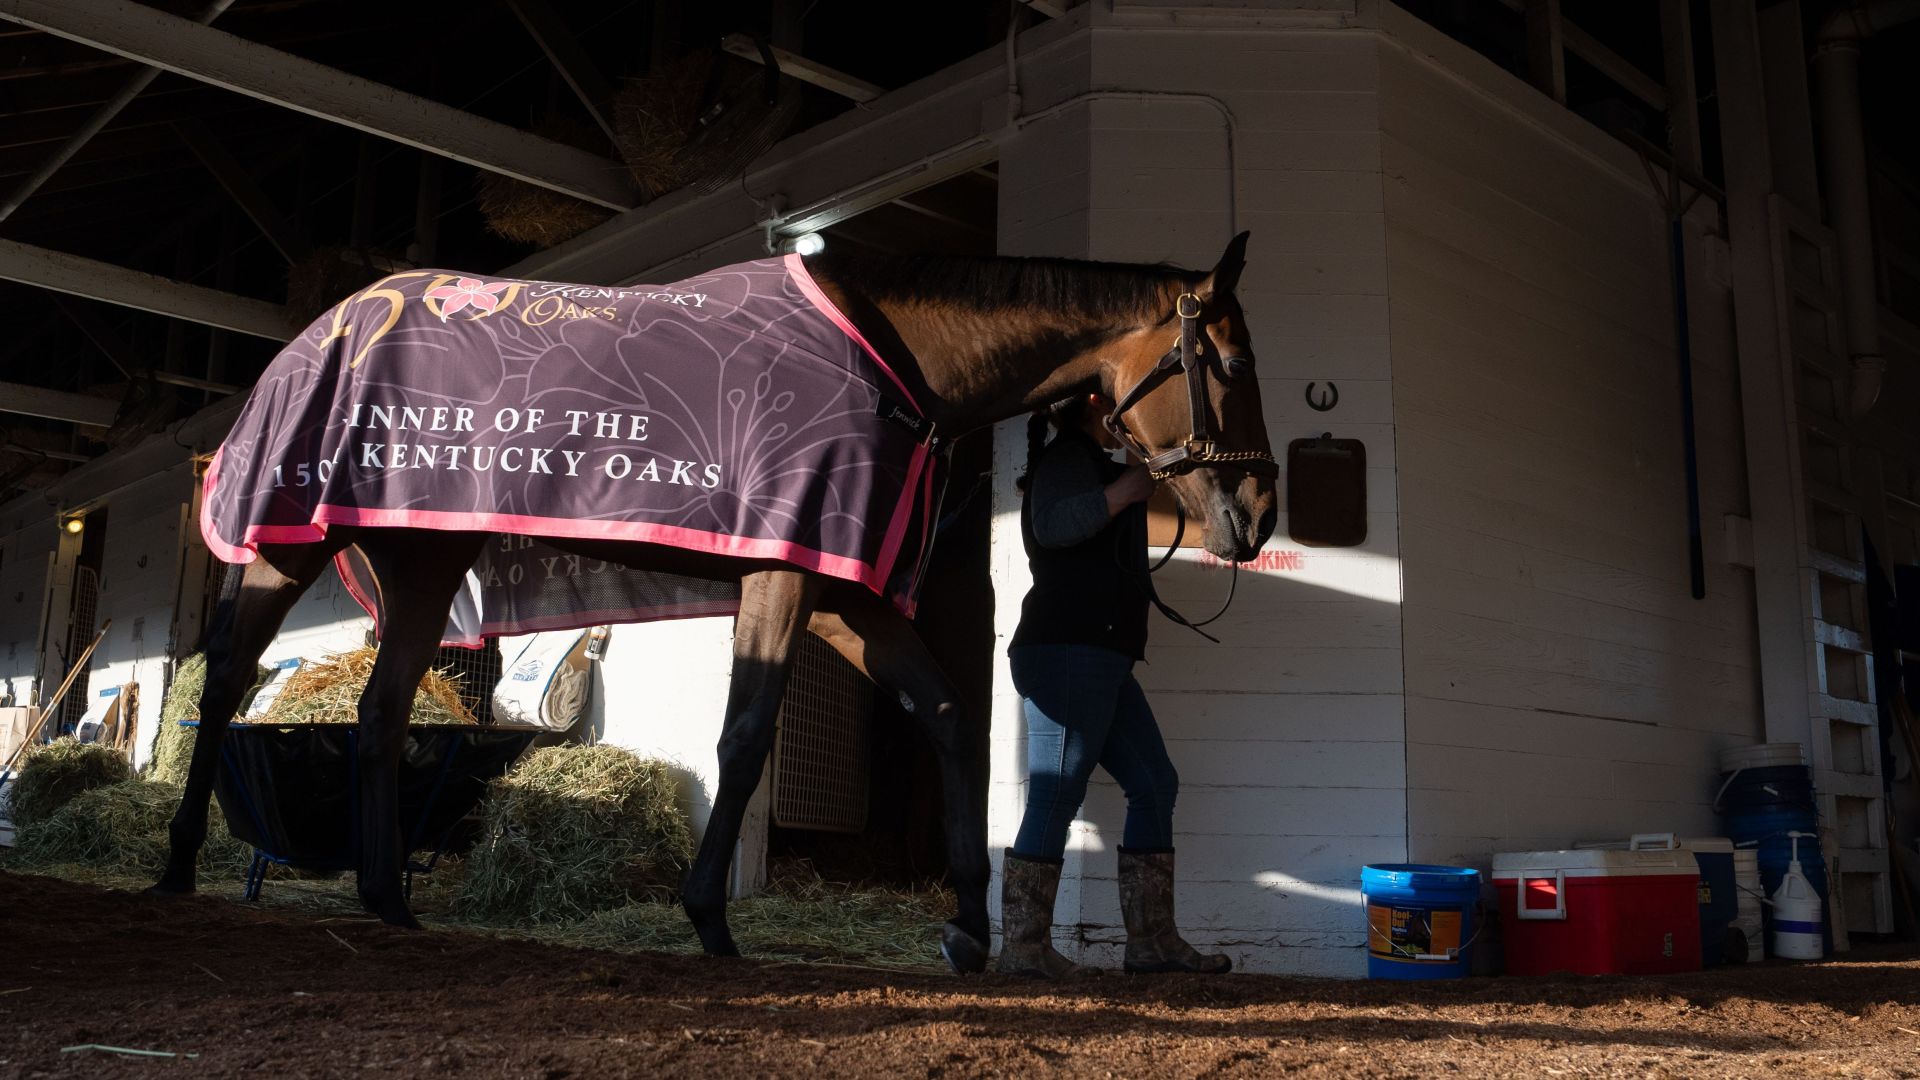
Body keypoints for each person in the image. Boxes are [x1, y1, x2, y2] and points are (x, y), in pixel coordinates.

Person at [997, 393, 1232, 979]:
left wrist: (1137, 470)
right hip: (1069, 651)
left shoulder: (1089, 459)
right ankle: (1024, 949)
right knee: (1056, 792)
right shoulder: (1068, 458)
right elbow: (1052, 527)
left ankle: (1151, 944)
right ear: (1095, 404)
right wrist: (1126, 490)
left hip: (1099, 654)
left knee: (1154, 783)